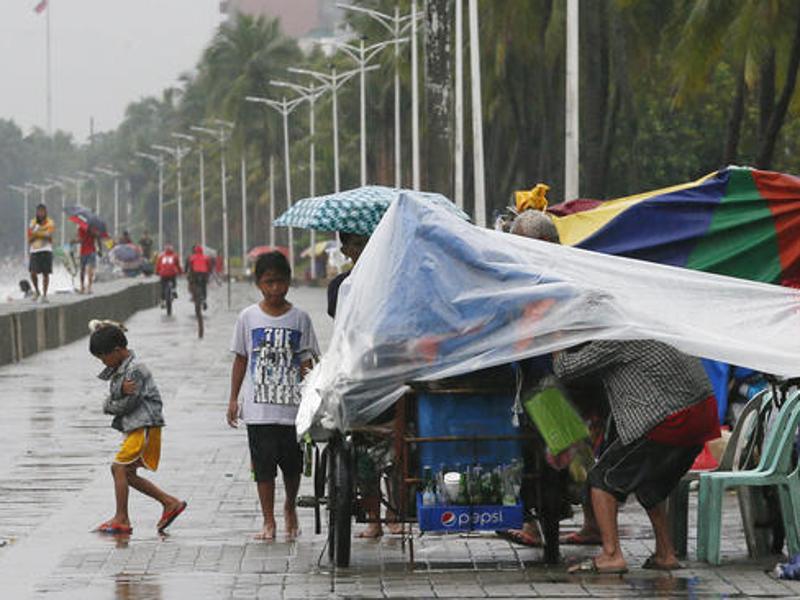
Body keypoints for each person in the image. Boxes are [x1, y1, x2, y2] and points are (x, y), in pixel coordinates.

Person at [555, 340, 720, 574]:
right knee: (649, 485)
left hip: (668, 419)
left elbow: (565, 369)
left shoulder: (618, 338)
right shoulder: (652, 326)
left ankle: (612, 555)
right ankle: (666, 553)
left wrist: (555, 336)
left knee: (601, 480)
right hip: (702, 416)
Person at [227, 251, 319, 540]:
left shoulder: (300, 318)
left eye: (280, 282)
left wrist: (314, 395)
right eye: (269, 283)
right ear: (259, 284)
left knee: (292, 467)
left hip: (292, 408)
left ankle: (289, 507)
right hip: (259, 409)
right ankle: (268, 520)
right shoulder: (248, 317)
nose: (275, 289)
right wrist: (233, 398)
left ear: (289, 282)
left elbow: (307, 360)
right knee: (263, 468)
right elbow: (241, 358)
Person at [89, 321, 187, 535]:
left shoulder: (135, 370)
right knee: (128, 473)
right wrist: (117, 391)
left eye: (103, 357)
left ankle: (122, 518)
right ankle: (170, 502)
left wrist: (107, 404)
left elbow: (128, 403)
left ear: (116, 351)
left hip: (144, 426)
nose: (102, 362)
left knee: (119, 468)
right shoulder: (121, 369)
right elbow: (114, 386)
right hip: (137, 427)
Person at [28, 203, 56, 302]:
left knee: (45, 273)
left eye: (42, 211)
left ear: (45, 212)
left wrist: (37, 234)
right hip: (34, 250)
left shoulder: (50, 222)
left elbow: (49, 235)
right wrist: (41, 234)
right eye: (39, 211)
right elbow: (30, 238)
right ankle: (37, 290)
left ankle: (44, 295)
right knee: (33, 273)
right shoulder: (32, 222)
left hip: (46, 249)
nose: (40, 213)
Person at [75, 225, 99, 295]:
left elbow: (81, 240)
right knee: (90, 269)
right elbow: (97, 236)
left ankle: (82, 287)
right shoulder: (93, 227)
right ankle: (89, 287)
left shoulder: (81, 228)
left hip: (84, 252)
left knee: (83, 270)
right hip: (91, 250)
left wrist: (74, 241)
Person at [186, 245, 211, 309]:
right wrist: (208, 274)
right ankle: (204, 299)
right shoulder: (206, 257)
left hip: (195, 274)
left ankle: (193, 295)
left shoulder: (192, 257)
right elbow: (209, 267)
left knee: (192, 283)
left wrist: (187, 273)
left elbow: (189, 266)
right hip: (204, 274)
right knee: (204, 286)